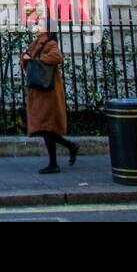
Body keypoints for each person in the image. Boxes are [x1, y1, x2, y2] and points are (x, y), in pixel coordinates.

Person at [20, 21, 79, 174]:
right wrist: (27, 58)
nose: (36, 28)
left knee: (46, 128)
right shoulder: (35, 43)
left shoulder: (49, 43)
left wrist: (36, 61)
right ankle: (70, 147)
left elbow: (57, 57)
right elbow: (26, 60)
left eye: (39, 25)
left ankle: (54, 163)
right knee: (45, 128)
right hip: (39, 91)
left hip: (48, 92)